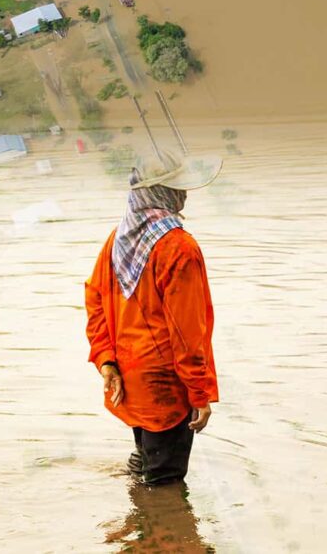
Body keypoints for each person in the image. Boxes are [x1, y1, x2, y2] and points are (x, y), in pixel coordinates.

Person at [85, 152, 222, 485]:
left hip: (130, 380)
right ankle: (160, 530)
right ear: (164, 192)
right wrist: (199, 394)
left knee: (146, 467)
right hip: (165, 388)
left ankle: (142, 524)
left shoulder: (119, 238)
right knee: (166, 486)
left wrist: (107, 363)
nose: (186, 194)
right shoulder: (178, 247)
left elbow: (94, 300)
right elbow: (187, 334)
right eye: (179, 186)